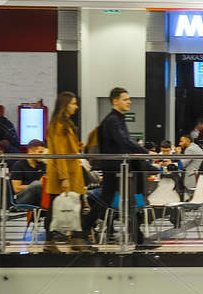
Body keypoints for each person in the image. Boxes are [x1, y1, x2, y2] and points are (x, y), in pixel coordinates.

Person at [96, 87, 156, 249]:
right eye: (125, 99)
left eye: (129, 99)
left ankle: (138, 239)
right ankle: (138, 239)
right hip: (115, 168)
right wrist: (146, 152)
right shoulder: (113, 120)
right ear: (115, 101)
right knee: (110, 202)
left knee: (111, 202)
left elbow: (124, 142)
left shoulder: (117, 119)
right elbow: (124, 141)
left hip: (118, 168)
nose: (129, 101)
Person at [42, 92, 88, 252]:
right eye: (73, 103)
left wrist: (77, 146)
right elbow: (59, 153)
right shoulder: (58, 125)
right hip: (65, 174)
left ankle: (75, 239)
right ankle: (50, 242)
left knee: (76, 205)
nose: (76, 106)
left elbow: (67, 147)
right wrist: (64, 178)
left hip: (71, 172)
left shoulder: (64, 124)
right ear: (65, 105)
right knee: (55, 207)